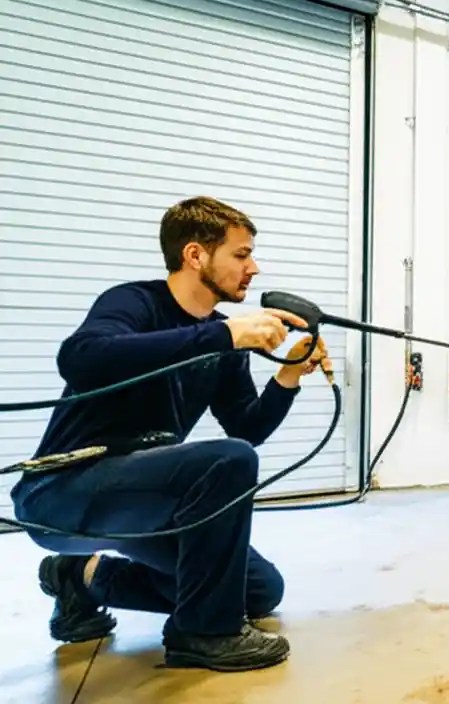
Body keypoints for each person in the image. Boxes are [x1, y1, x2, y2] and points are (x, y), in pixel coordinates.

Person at [8, 196, 331, 672]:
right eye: (241, 255)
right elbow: (81, 357)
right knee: (227, 460)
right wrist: (224, 337)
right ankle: (202, 634)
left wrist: (288, 378)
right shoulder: (134, 302)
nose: (254, 267)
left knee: (259, 590)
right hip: (62, 492)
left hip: (143, 501)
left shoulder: (224, 335)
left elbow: (248, 427)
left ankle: (83, 577)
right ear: (196, 255)